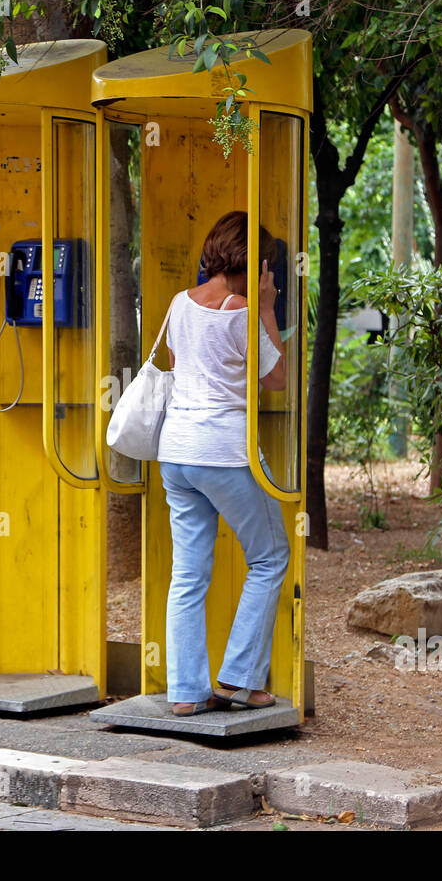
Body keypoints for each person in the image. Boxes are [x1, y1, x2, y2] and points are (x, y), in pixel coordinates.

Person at [157, 210, 289, 717]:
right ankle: (239, 678)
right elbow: (275, 379)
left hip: (177, 453)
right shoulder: (242, 313)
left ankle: (186, 693)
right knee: (270, 558)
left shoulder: (179, 303)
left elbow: (176, 361)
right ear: (254, 263)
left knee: (187, 575)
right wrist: (267, 308)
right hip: (223, 453)